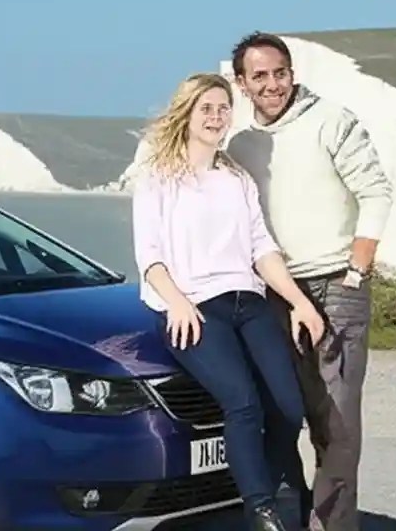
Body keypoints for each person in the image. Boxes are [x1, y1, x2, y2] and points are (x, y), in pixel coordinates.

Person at [131, 72, 327, 531]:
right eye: (207, 109)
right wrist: (177, 302)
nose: (217, 117)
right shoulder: (158, 176)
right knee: (242, 404)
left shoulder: (236, 177)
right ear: (187, 113)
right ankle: (261, 510)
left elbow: (262, 248)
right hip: (196, 309)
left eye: (223, 109)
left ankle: (278, 481)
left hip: (249, 302)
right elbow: (150, 256)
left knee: (289, 408)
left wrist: (299, 302)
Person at [226, 32, 393, 531]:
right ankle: (288, 519)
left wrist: (355, 273)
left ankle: (336, 526)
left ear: (292, 73)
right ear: (242, 84)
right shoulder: (239, 145)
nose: (273, 84)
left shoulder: (332, 121)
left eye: (280, 72)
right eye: (260, 76)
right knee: (278, 417)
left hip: (335, 285)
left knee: (335, 423)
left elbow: (377, 194)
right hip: (271, 293)